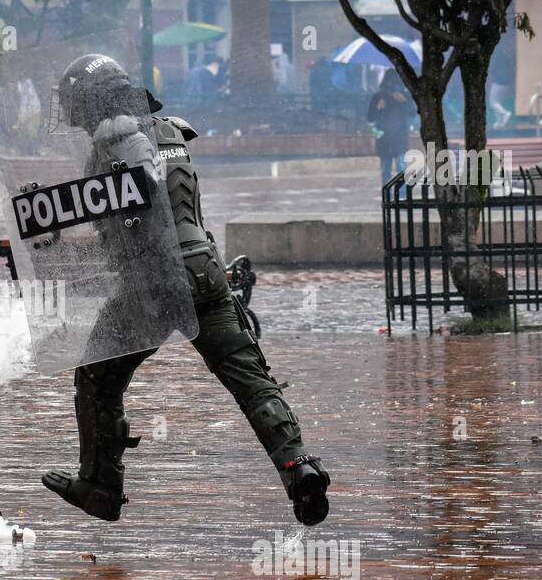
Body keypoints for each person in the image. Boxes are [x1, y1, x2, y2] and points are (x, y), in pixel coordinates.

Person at [40, 54, 331, 527]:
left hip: (151, 286)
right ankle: (298, 467)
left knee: (96, 377)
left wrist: (50, 229)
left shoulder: (114, 144)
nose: (73, 117)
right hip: (204, 272)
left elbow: (136, 205)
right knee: (251, 380)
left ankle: (100, 484)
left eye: (77, 105)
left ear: (93, 104)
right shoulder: (172, 131)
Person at [367, 71, 413, 185]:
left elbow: (413, 113)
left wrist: (404, 102)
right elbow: (370, 117)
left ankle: (401, 196)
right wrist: (378, 107)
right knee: (385, 170)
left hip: (400, 137)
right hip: (384, 138)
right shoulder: (378, 96)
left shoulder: (404, 96)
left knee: (401, 168)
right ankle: (387, 195)